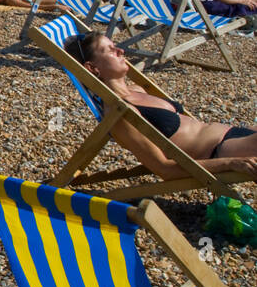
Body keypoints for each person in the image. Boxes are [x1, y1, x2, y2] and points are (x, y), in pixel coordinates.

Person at [63, 32, 257, 180]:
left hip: (235, 134)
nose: (121, 51)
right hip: (220, 152)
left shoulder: (136, 89)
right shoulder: (120, 114)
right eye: (111, 50)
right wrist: (232, 163)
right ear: (92, 68)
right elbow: (164, 168)